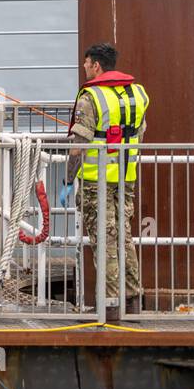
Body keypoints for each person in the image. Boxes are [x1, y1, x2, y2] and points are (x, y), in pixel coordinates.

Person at [63, 43, 148, 316]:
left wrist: (67, 180)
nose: (85, 67)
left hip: (95, 181)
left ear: (96, 65)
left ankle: (110, 306)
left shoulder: (91, 97)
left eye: (87, 63)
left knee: (104, 241)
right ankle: (134, 303)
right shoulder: (138, 94)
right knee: (124, 237)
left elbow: (79, 145)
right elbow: (139, 133)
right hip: (127, 178)